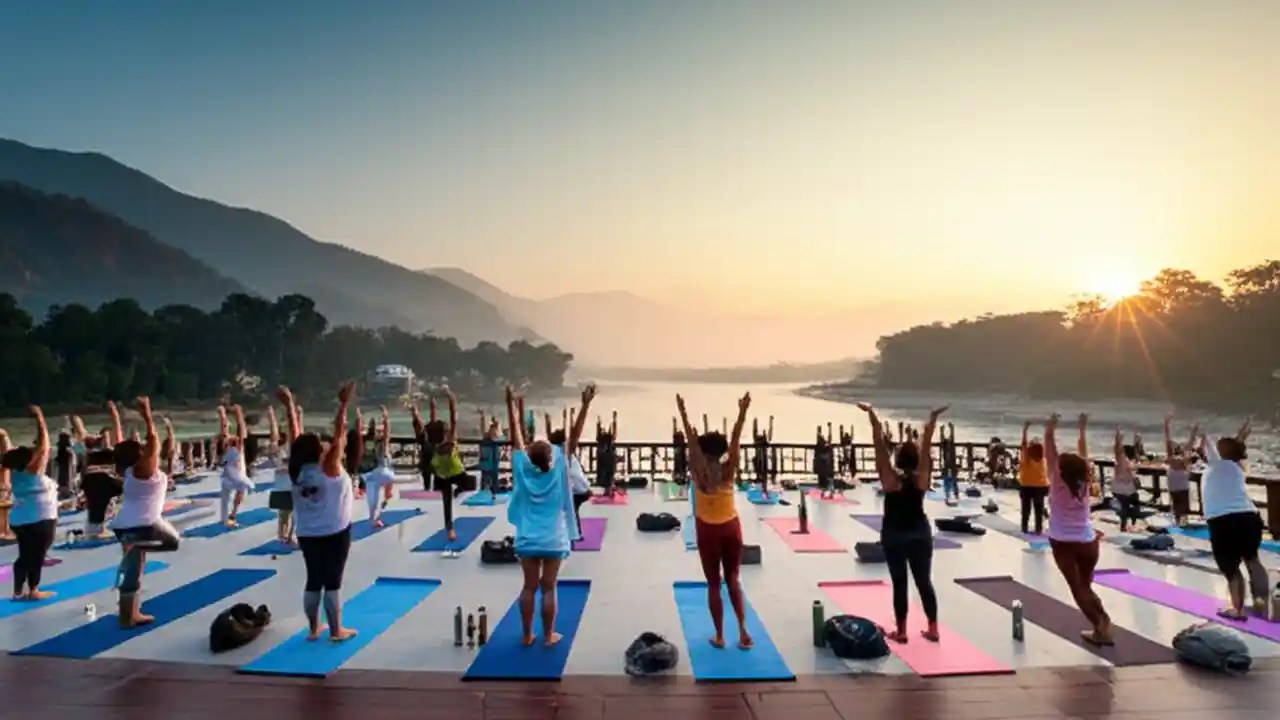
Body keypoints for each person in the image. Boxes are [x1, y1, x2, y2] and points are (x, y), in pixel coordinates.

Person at [859, 401, 945, 644]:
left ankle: (903, 631)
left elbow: (878, 447)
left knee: (900, 583)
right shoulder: (921, 478)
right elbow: (927, 447)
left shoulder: (890, 479)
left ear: (897, 458)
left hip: (895, 535)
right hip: (919, 533)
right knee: (924, 582)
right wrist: (932, 421)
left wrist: (873, 417)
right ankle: (933, 627)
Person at [505, 385, 584, 646]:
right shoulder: (560, 469)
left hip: (528, 540)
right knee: (549, 587)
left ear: (528, 457)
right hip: (553, 540)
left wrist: (511, 406)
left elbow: (516, 438)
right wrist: (584, 406)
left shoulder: (522, 471)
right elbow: (574, 438)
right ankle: (549, 636)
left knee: (529, 587)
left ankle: (527, 635)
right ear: (552, 457)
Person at [279, 382, 357, 642]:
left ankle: (314, 629)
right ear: (317, 450)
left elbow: (294, 435)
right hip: (335, 532)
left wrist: (290, 405)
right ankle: (336, 631)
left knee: (313, 581)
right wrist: (343, 404)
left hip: (308, 534)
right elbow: (340, 433)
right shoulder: (330, 467)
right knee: (333, 582)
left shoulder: (297, 470)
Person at [677, 391, 753, 650]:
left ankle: (720, 635)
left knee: (713, 583)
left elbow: (690, 443)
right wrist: (742, 412)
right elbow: (736, 438)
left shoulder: (698, 471)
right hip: (731, 526)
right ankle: (743, 632)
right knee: (733, 579)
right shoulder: (729, 467)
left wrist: (684, 414)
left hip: (708, 529)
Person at [110, 397, 181, 628]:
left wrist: (116, 417)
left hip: (124, 526)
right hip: (144, 525)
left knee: (134, 569)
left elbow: (124, 445)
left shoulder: (130, 471)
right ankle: (128, 616)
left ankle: (130, 615)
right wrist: (147, 415)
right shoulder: (144, 470)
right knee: (173, 542)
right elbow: (154, 441)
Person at [1045, 412, 1113, 645]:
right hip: (1088, 543)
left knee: (1078, 589)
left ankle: (1100, 625)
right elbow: (1083, 454)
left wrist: (1050, 429)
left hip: (1064, 542)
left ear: (1061, 470)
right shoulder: (1085, 483)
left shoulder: (1056, 483)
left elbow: (1049, 451)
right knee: (1086, 585)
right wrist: (1082, 429)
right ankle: (1103, 623)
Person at [1198, 420, 1269, 619]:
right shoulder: (1236, 466)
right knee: (1252, 560)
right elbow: (1234, 448)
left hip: (1223, 521)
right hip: (1249, 517)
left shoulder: (1216, 463)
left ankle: (1237, 610)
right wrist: (1241, 436)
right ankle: (1262, 604)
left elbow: (1210, 445)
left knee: (1231, 568)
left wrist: (1202, 432)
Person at [4, 405, 59, 601]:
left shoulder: (16, 472)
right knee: (36, 554)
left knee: (25, 554)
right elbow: (44, 447)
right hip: (39, 519)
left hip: (20, 519)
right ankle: (33, 590)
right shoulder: (33, 471)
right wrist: (40, 419)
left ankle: (18, 591)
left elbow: (37, 449)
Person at [414, 390, 466, 542]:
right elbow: (453, 420)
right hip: (449, 475)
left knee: (454, 496)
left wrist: (451, 401)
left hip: (450, 474)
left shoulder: (441, 444)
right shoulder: (441, 444)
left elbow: (452, 420)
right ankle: (450, 529)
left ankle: (450, 527)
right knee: (449, 500)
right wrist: (451, 401)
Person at [361, 406, 397, 528]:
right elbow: (387, 432)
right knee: (391, 477)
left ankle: (374, 519)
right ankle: (388, 493)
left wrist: (359, 418)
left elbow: (358, 430)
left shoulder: (362, 439)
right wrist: (386, 417)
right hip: (380, 472)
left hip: (367, 475)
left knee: (372, 502)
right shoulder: (381, 441)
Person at [219, 405, 254, 527]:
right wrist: (239, 414)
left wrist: (222, 414)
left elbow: (224, 429)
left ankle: (226, 517)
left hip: (228, 477)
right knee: (242, 490)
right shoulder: (238, 449)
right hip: (239, 477)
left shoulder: (227, 448)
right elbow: (240, 428)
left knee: (225, 498)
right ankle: (233, 513)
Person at [266, 405, 296, 545]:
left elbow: (292, 433)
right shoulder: (277, 452)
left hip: (289, 487)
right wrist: (272, 417)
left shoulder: (289, 451)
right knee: (284, 515)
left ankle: (289, 536)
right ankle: (283, 536)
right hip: (284, 488)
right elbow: (274, 434)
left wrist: (293, 414)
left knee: (292, 515)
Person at [1163, 414, 1196, 526]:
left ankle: (1179, 523)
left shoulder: (1172, 459)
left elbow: (1167, 440)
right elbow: (1191, 444)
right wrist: (1194, 432)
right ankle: (1183, 523)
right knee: (1183, 508)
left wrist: (1166, 425)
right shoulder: (1183, 460)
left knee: (1177, 507)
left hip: (1173, 486)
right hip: (1181, 486)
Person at [1018, 421, 1049, 535]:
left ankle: (1024, 527)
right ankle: (1038, 529)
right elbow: (1048, 444)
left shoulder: (1026, 457)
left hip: (1026, 485)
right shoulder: (1043, 458)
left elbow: (1023, 444)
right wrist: (1048, 430)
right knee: (1038, 509)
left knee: (1026, 509)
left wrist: (1025, 430)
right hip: (1040, 486)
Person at [1110, 429, 1141, 532]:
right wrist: (1118, 440)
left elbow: (1117, 450)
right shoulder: (1123, 459)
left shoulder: (1121, 461)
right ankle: (1129, 524)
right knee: (1129, 505)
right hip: (1124, 487)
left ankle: (1126, 524)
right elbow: (1118, 450)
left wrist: (1118, 438)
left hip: (1120, 486)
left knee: (1127, 505)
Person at [478, 411, 503, 496]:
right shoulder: (487, 438)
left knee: (490, 479)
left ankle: (490, 418)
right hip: (488, 464)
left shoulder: (494, 439)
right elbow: (484, 430)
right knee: (487, 479)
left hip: (490, 463)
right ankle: (488, 417)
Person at [814, 426, 836, 499]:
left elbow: (829, 440)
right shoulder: (822, 448)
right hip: (824, 469)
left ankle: (828, 493)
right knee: (826, 482)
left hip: (826, 469)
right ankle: (827, 493)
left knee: (828, 481)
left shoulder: (825, 448)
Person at [940, 423, 960, 503]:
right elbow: (942, 439)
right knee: (946, 481)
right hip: (947, 465)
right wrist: (941, 431)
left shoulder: (951, 446)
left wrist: (952, 429)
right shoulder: (944, 445)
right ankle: (947, 496)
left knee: (953, 480)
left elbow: (952, 437)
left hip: (951, 465)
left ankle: (956, 494)